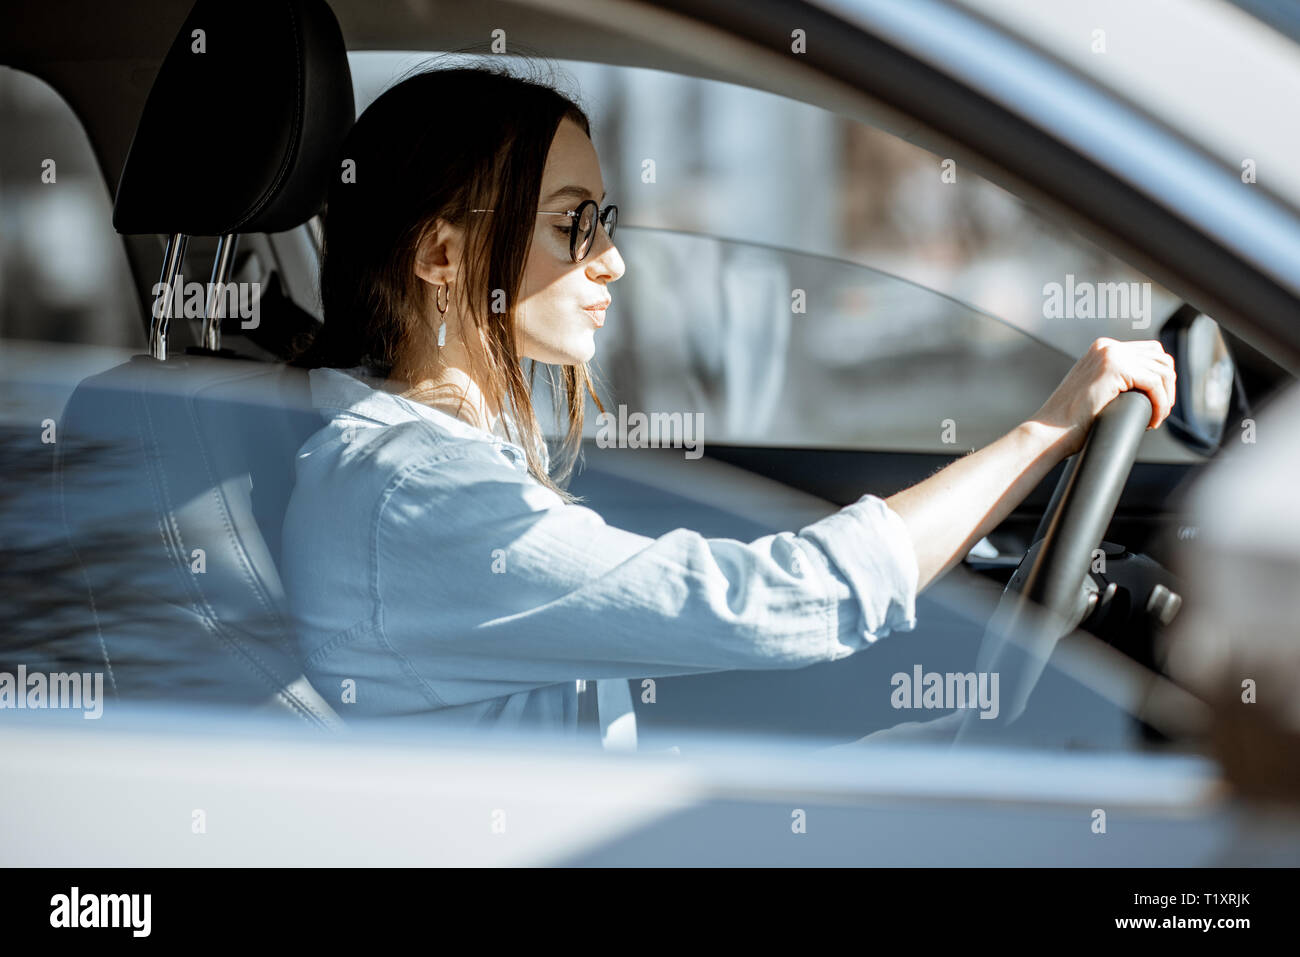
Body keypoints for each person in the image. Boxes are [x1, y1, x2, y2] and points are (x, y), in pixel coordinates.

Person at [282, 65, 1175, 749]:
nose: (610, 259)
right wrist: (1044, 432)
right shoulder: (414, 496)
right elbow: (772, 601)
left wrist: (948, 750)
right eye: (570, 224)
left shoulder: (428, 466)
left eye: (604, 220)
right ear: (442, 255)